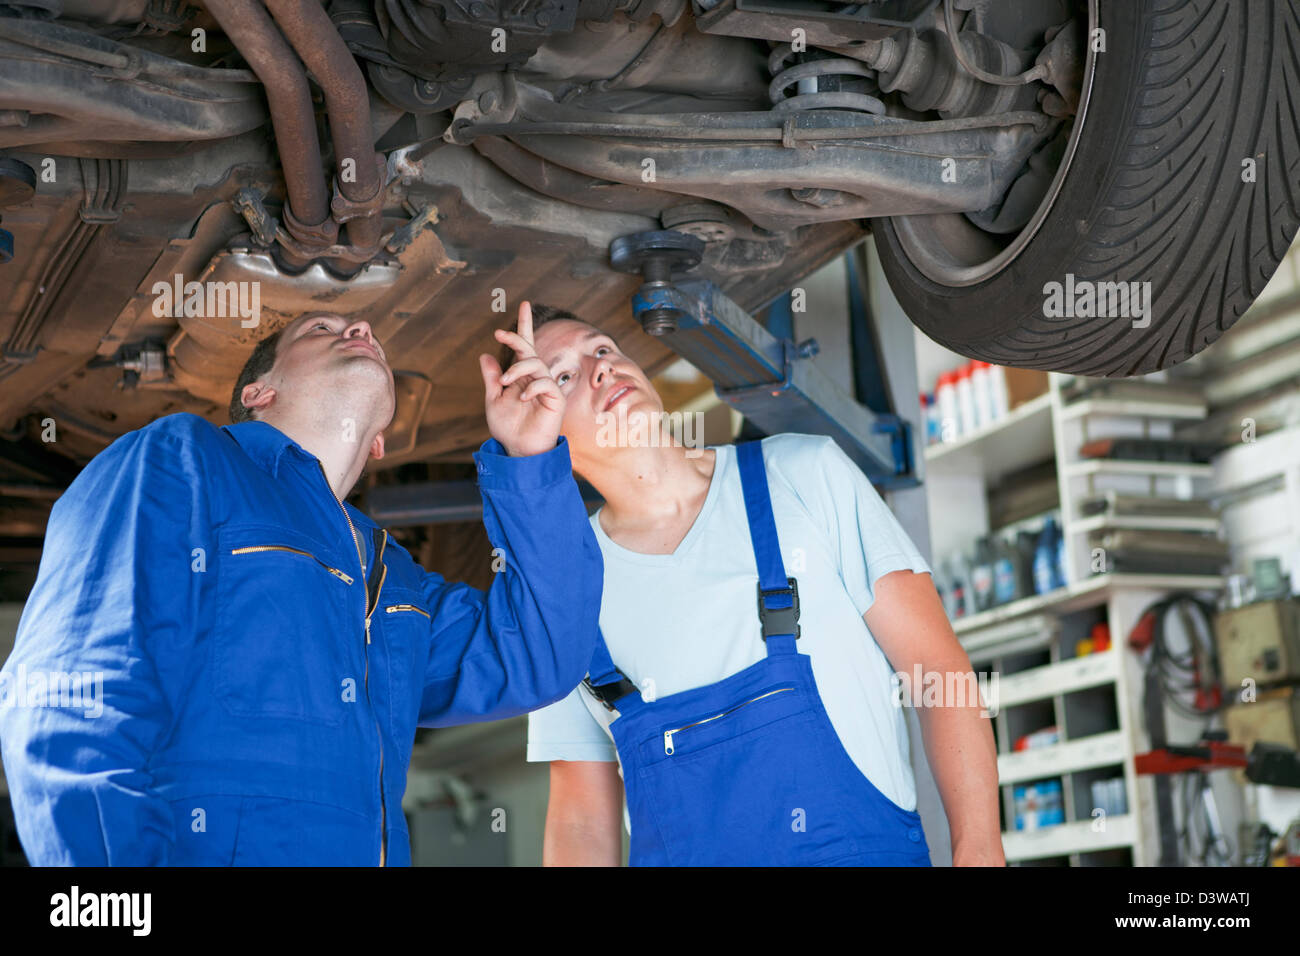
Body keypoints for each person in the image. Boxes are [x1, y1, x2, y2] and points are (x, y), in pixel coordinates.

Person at [0, 302, 602, 866]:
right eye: (320, 328)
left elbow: (540, 657)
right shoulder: (182, 459)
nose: (362, 330)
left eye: (371, 339)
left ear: (380, 441)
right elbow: (70, 695)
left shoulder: (394, 580)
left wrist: (529, 458)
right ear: (258, 394)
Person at [515, 304, 1004, 866]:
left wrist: (981, 849)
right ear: (540, 436)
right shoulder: (562, 593)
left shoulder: (802, 475)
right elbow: (580, 817)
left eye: (602, 348)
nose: (600, 368)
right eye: (564, 376)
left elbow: (937, 671)